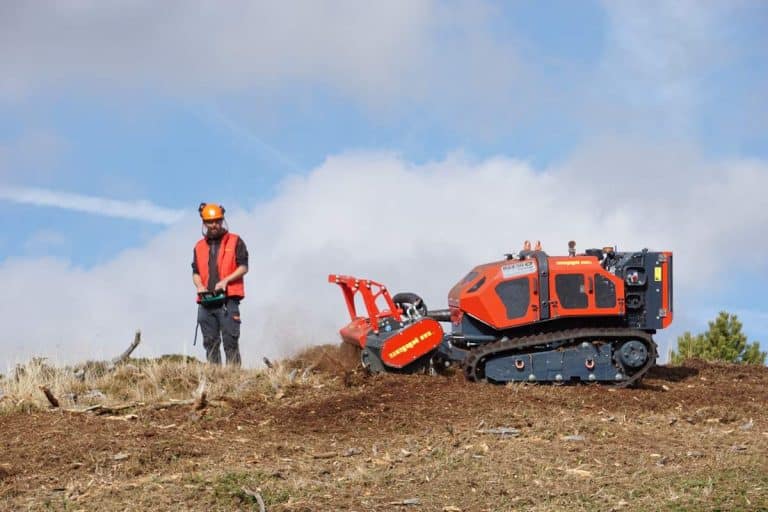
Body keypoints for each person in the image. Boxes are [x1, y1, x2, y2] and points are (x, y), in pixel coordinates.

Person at [191, 202, 248, 366]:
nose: (214, 224)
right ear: (204, 223)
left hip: (227, 301)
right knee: (210, 344)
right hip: (206, 301)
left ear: (222, 220)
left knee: (230, 342)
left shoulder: (235, 241)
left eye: (217, 220)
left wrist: (225, 281)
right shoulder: (199, 246)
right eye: (210, 221)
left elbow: (244, 266)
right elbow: (195, 272)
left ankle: (234, 378)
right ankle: (215, 379)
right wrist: (199, 286)